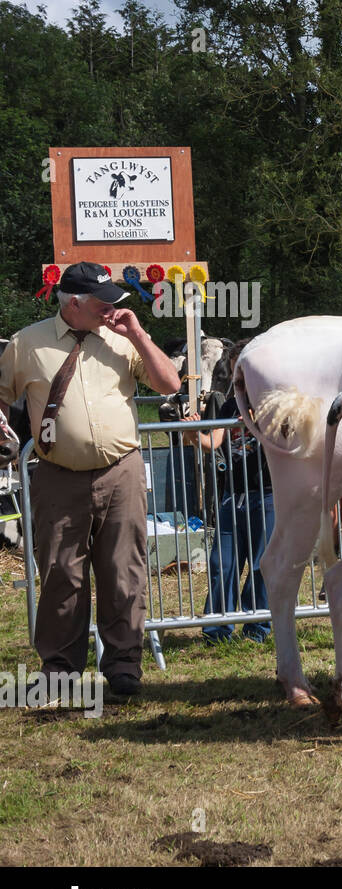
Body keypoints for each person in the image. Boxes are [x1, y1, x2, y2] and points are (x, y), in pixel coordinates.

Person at [0, 262, 181, 698]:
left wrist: (138, 334)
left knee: (125, 573)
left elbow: (169, 383)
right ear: (74, 304)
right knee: (62, 575)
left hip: (122, 470)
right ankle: (60, 670)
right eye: (104, 302)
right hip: (57, 475)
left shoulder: (123, 337)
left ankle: (123, 668)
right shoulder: (28, 343)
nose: (113, 308)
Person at [183, 340, 275, 643]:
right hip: (231, 494)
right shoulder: (228, 403)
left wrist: (257, 422)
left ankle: (257, 627)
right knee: (221, 563)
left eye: (244, 367)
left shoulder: (273, 400)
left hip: (267, 492)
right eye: (235, 367)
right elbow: (214, 441)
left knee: (262, 563)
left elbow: (285, 440)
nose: (239, 374)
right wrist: (195, 435)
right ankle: (217, 630)